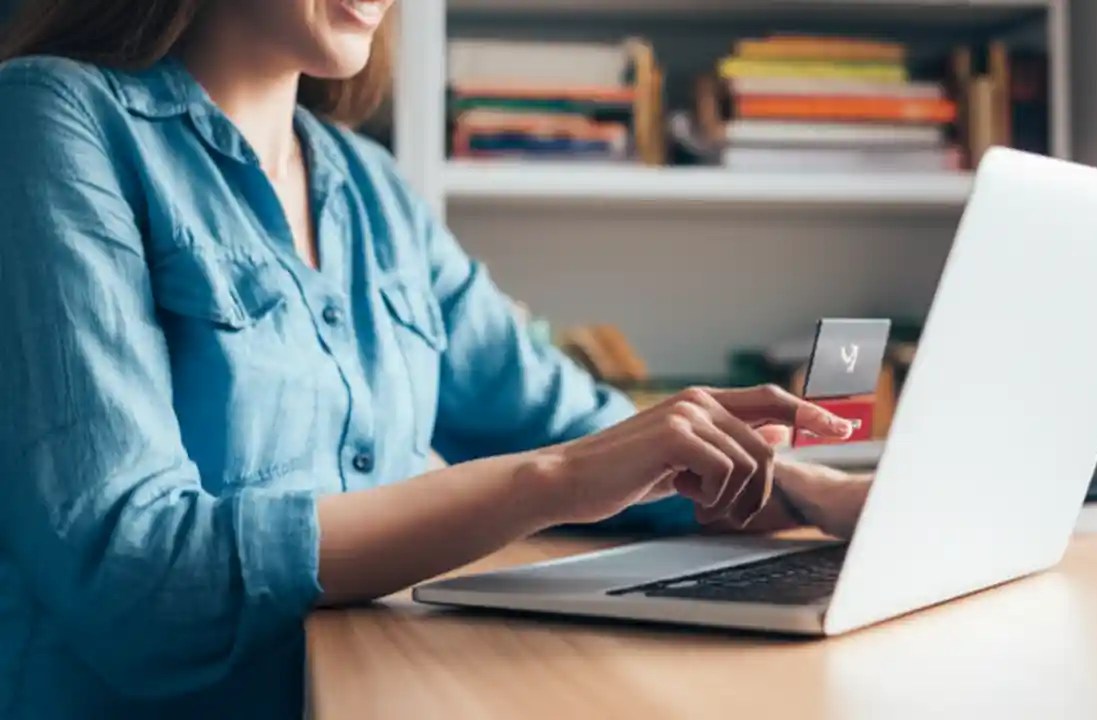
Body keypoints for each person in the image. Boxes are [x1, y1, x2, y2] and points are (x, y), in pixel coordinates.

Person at [0, 1, 873, 717]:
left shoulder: (371, 188)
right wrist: (554, 480)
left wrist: (813, 492)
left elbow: (568, 416)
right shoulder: (52, 120)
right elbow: (129, 564)